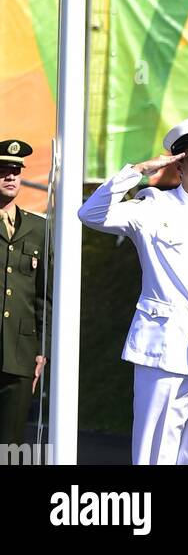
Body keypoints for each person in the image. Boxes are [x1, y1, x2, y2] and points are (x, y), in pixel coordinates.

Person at [78, 115, 188, 466]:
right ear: (179, 162)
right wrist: (140, 169)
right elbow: (90, 213)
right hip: (163, 355)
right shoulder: (153, 206)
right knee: (155, 457)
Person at [0, 139, 51, 445]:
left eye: (16, 170)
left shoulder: (38, 229)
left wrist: (43, 351)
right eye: (4, 170)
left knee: (11, 445)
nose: (11, 176)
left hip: (20, 356)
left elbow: (45, 297)